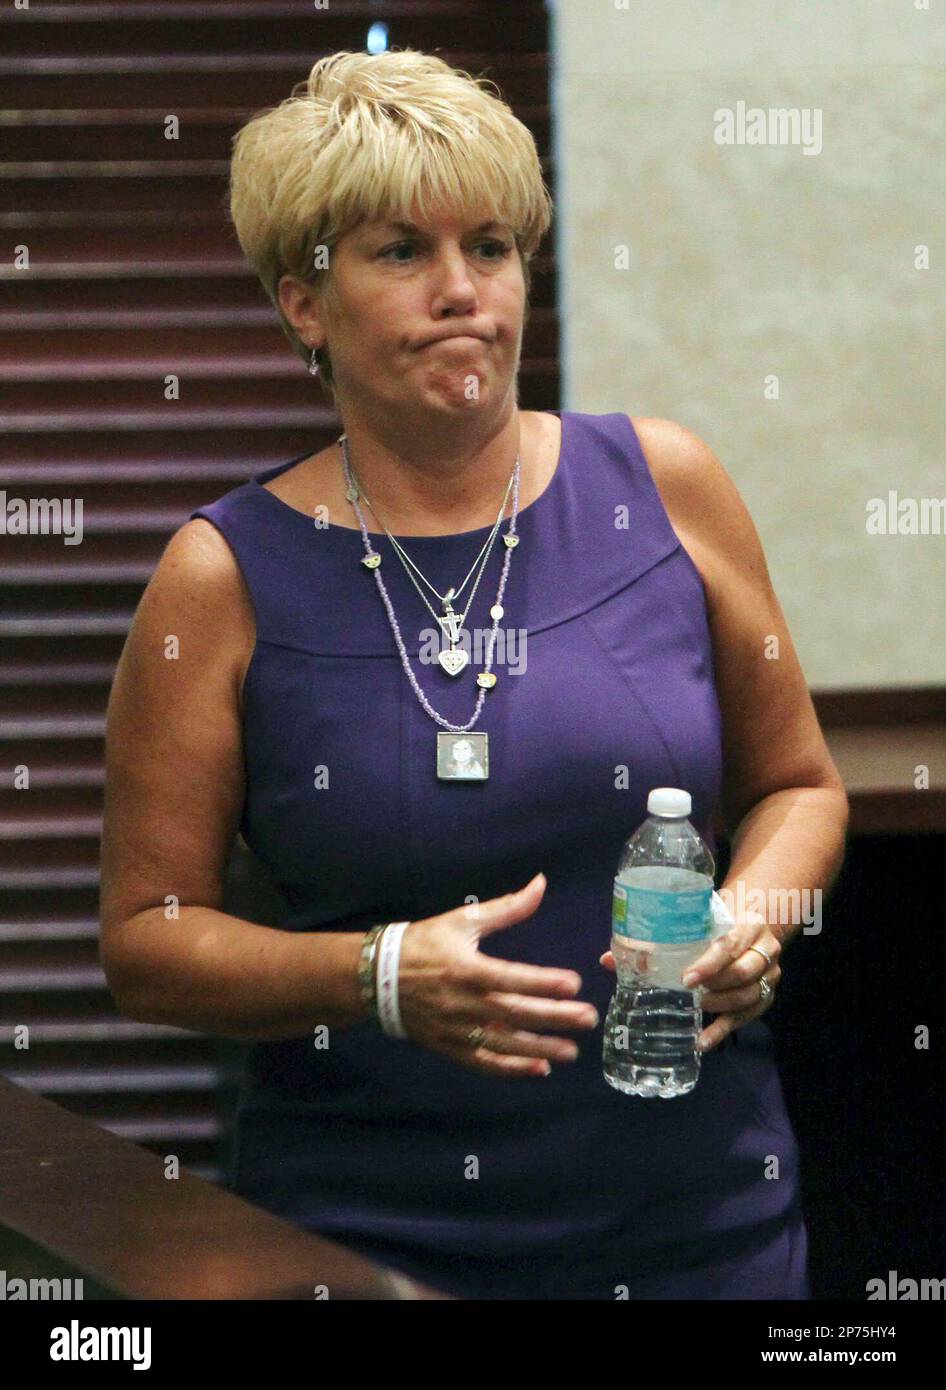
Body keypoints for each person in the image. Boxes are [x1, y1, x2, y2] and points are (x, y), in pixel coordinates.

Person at [98, 49, 849, 1300]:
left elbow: (800, 786)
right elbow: (146, 942)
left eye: (490, 247)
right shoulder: (221, 576)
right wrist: (377, 973)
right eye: (402, 252)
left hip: (701, 1228)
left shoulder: (663, 486)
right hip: (369, 1247)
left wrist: (750, 919)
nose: (462, 292)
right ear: (303, 301)